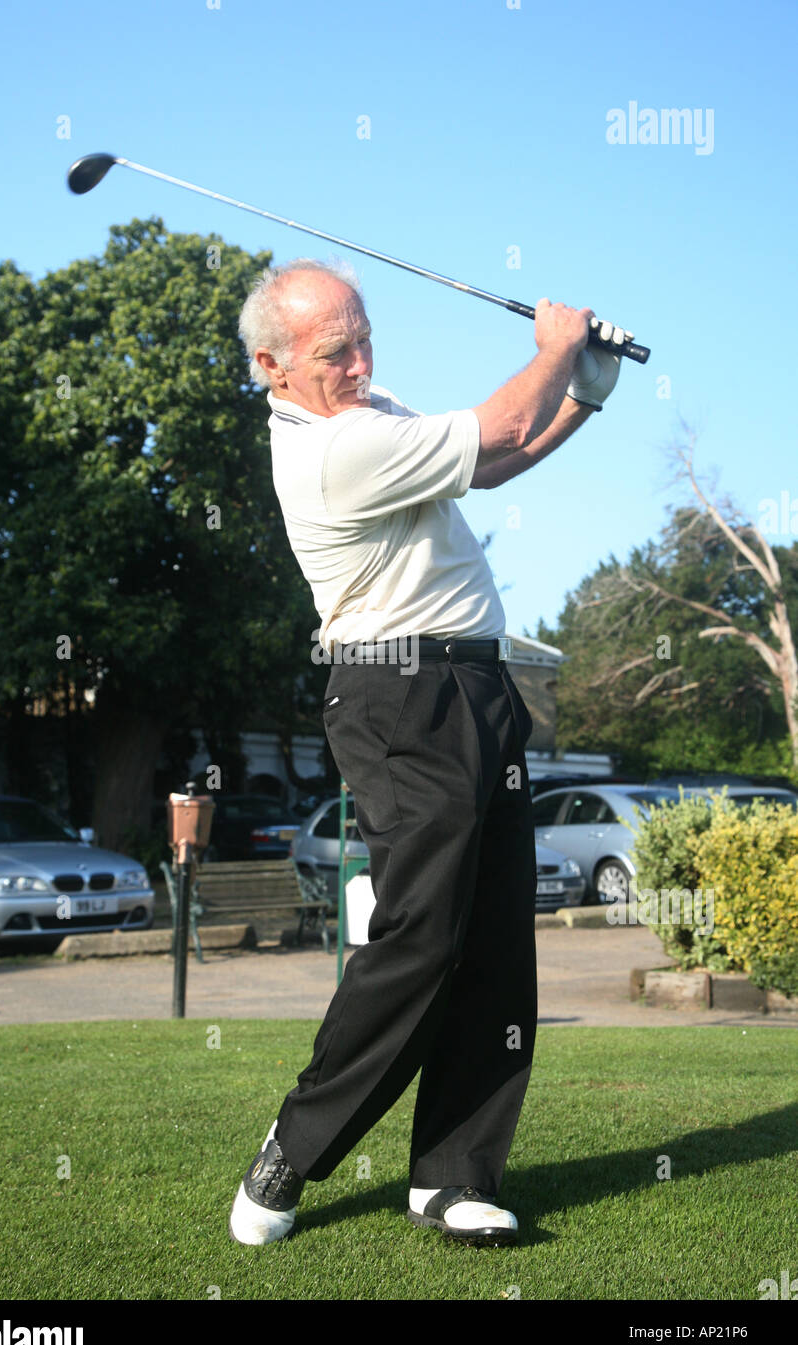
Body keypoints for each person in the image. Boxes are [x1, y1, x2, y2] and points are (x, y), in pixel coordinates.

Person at [230, 257, 626, 1246]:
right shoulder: (330, 450)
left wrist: (578, 396)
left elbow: (489, 461)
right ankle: (293, 1146)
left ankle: (451, 1177)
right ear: (272, 367)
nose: (361, 363)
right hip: (397, 696)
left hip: (477, 688)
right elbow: (491, 427)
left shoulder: (369, 412)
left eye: (364, 337)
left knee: (493, 940)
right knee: (421, 935)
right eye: (334, 353)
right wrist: (549, 349)